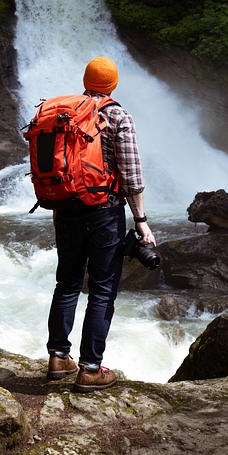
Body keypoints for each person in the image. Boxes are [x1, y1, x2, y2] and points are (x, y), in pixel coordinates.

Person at [46, 55, 156, 392]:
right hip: (104, 211)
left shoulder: (63, 112)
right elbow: (131, 175)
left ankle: (58, 357)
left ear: (85, 81)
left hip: (65, 207)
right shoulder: (117, 115)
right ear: (113, 85)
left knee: (67, 282)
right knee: (102, 288)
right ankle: (91, 368)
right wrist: (141, 220)